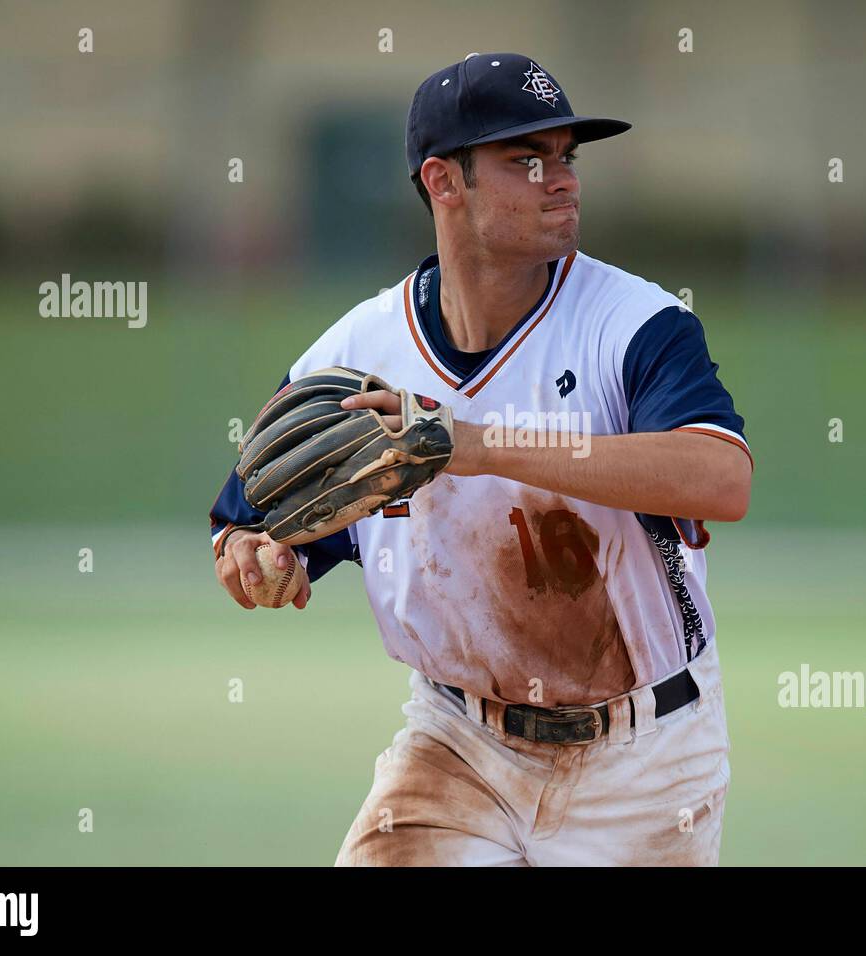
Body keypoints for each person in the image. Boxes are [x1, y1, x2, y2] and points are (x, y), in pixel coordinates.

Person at [209, 52, 752, 866]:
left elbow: (720, 479)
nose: (561, 179)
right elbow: (253, 524)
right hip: (457, 744)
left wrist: (476, 444)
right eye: (525, 160)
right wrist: (257, 559)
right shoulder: (358, 352)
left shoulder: (634, 324)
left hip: (646, 758)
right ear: (443, 181)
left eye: (567, 156)